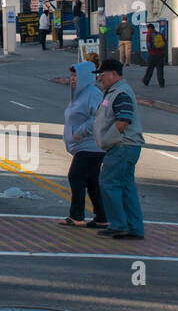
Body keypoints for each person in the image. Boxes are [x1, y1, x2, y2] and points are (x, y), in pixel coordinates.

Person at [92, 59, 145, 239]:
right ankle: (134, 228)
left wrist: (108, 138)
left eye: (103, 74)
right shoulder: (114, 91)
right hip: (127, 146)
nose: (100, 78)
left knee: (109, 183)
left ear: (114, 74)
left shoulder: (121, 93)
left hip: (122, 146)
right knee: (126, 187)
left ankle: (118, 224)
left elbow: (124, 120)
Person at [61, 62, 107, 228]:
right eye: (72, 75)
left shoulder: (92, 93)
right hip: (84, 146)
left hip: (90, 146)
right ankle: (102, 217)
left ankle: (76, 215)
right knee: (91, 181)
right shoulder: (79, 94)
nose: (73, 79)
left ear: (86, 77)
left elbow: (98, 117)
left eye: (76, 75)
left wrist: (79, 132)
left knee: (76, 176)